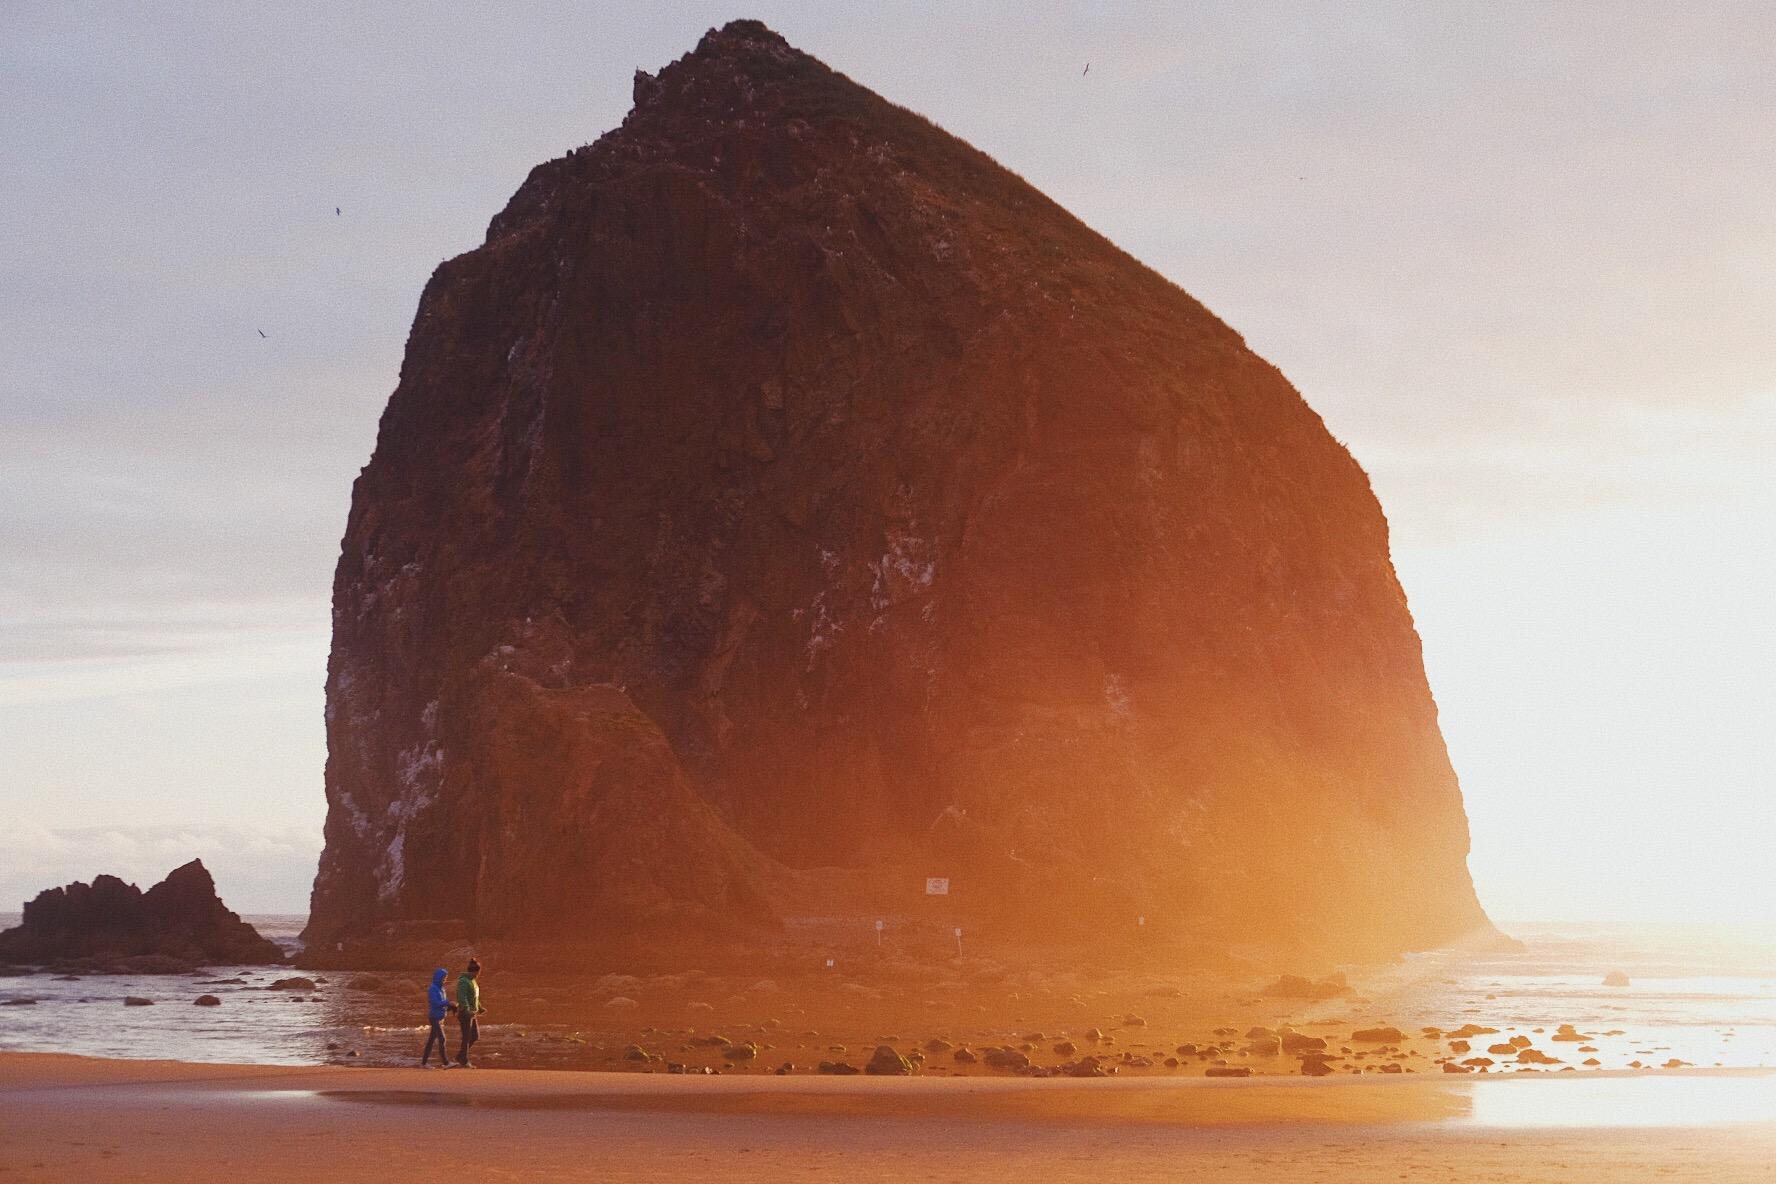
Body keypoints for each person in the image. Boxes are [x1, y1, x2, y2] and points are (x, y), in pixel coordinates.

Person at [421, 968, 454, 1068]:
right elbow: (435, 1003)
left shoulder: (442, 989)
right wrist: (447, 1002)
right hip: (434, 1017)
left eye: (446, 978)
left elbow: (443, 1004)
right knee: (442, 1039)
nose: (445, 980)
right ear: (438, 978)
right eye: (443, 978)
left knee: (431, 1041)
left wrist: (451, 1006)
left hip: (440, 1018)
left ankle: (423, 1063)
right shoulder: (432, 989)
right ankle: (446, 1063)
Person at [454, 957, 484, 1067]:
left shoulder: (473, 981)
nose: (479, 974)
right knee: (466, 1037)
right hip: (465, 1013)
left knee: (475, 1036)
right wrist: (467, 1009)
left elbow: (475, 997)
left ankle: (460, 1056)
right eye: (478, 972)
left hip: (472, 1013)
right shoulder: (464, 981)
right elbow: (462, 997)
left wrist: (479, 1008)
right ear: (475, 971)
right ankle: (464, 1060)